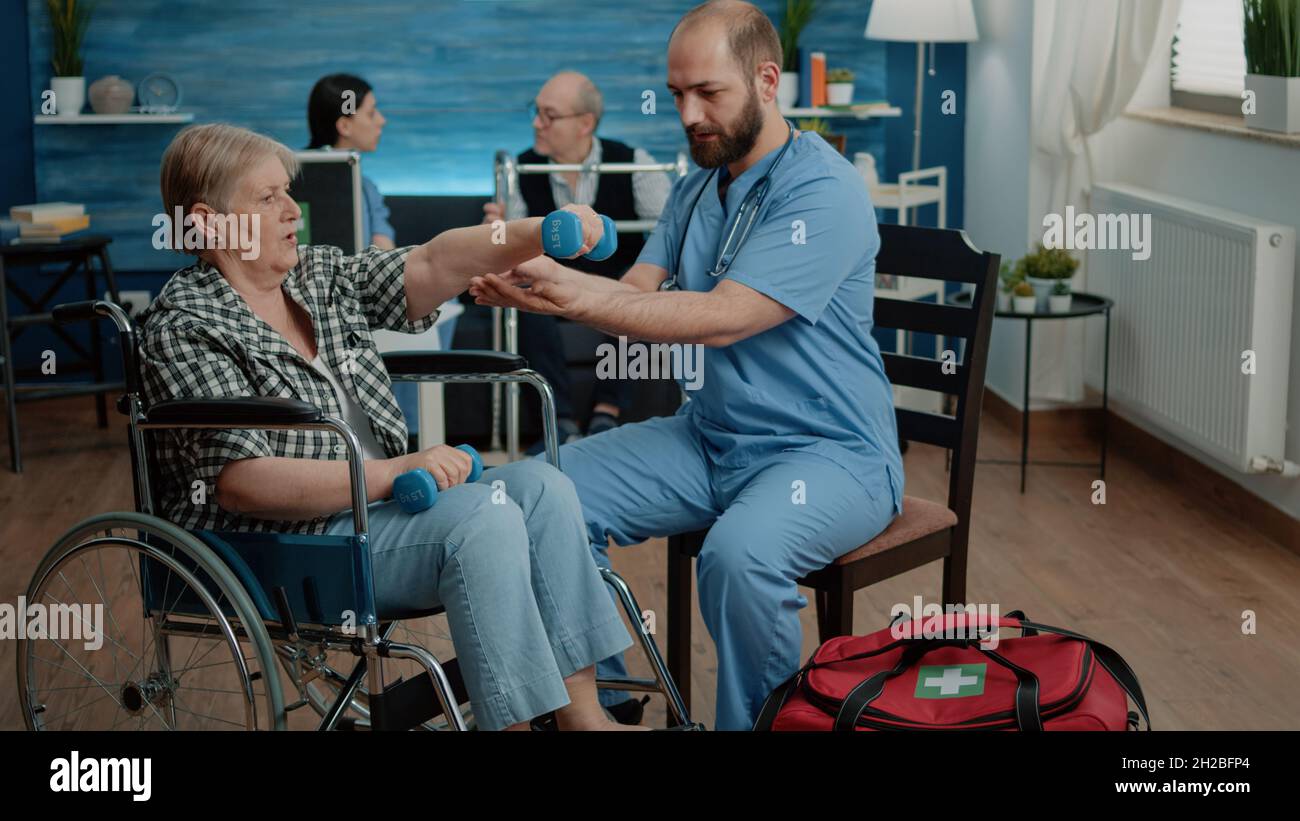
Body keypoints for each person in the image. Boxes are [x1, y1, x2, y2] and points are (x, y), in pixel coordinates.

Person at [471, 0, 904, 730]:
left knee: (736, 557)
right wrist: (545, 290)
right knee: (538, 488)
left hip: (830, 454)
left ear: (767, 81)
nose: (689, 114)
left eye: (709, 93)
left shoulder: (822, 190)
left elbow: (724, 316)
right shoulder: (698, 185)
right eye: (677, 95)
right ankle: (606, 707)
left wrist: (578, 299)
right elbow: (639, 292)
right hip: (712, 437)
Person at [139, 123, 642, 731]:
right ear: (209, 221)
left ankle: (584, 719)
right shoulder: (185, 324)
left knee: (544, 490)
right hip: (287, 544)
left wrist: (542, 230)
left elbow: (436, 258)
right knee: (484, 521)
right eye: (266, 198)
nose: (292, 209)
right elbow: (244, 482)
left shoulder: (316, 277)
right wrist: (394, 470)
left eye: (287, 193)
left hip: (381, 513)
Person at [483, 71, 673, 447]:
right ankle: (560, 422)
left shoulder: (633, 163)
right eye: (535, 112)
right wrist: (496, 233)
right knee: (523, 297)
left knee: (638, 294)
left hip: (612, 288)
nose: (537, 123)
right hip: (547, 291)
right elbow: (509, 251)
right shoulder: (519, 170)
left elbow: (670, 231)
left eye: (549, 115)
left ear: (585, 123)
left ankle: (607, 414)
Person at [307, 73, 395, 250]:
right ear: (345, 126)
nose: (382, 120)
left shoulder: (367, 189)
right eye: (371, 113)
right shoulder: (287, 179)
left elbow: (384, 249)